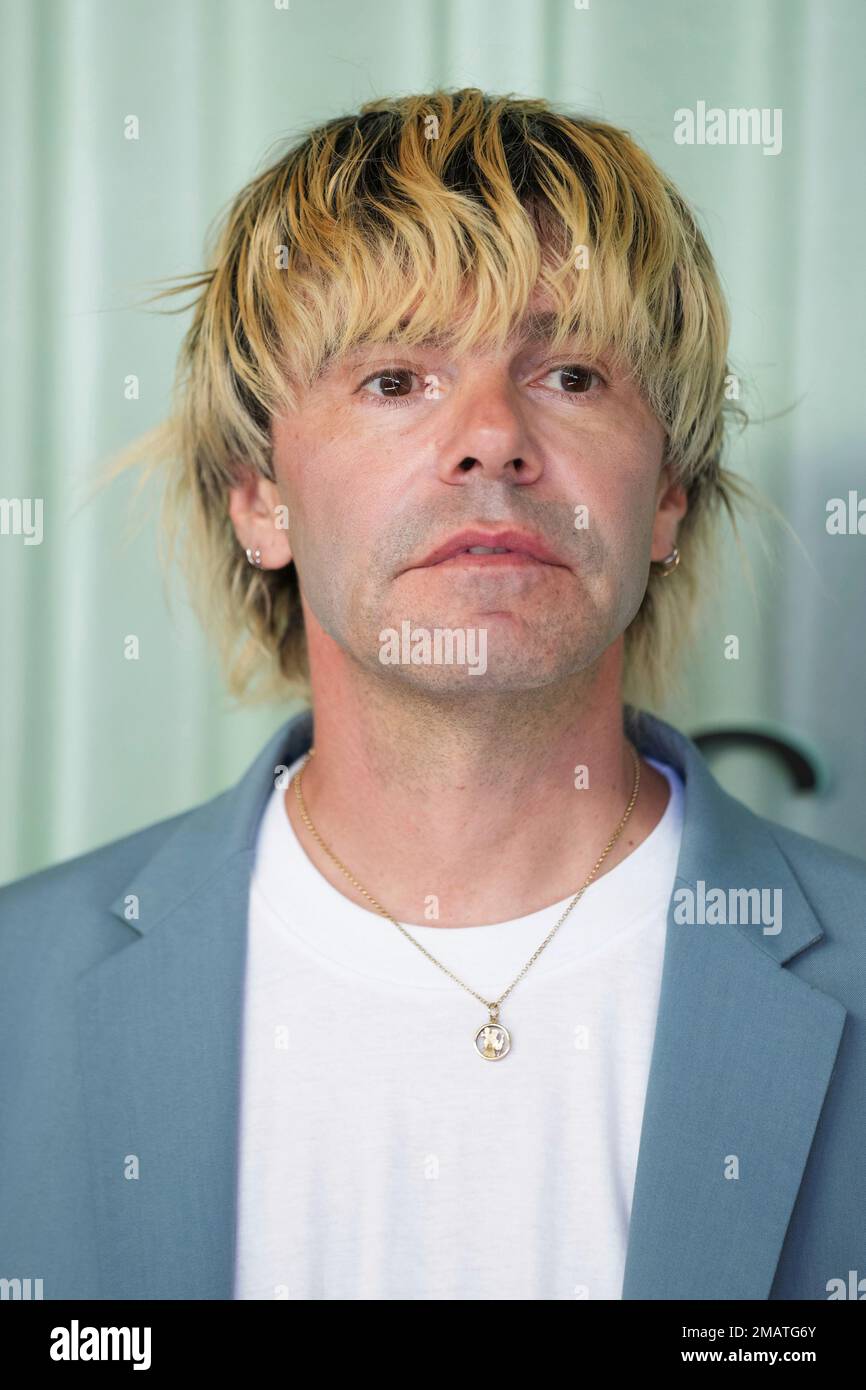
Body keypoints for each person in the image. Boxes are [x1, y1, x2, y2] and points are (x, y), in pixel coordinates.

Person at [1, 88, 864, 1303]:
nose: (491, 440)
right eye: (396, 379)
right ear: (261, 500)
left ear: (666, 494)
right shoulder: (14, 993)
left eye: (568, 371)